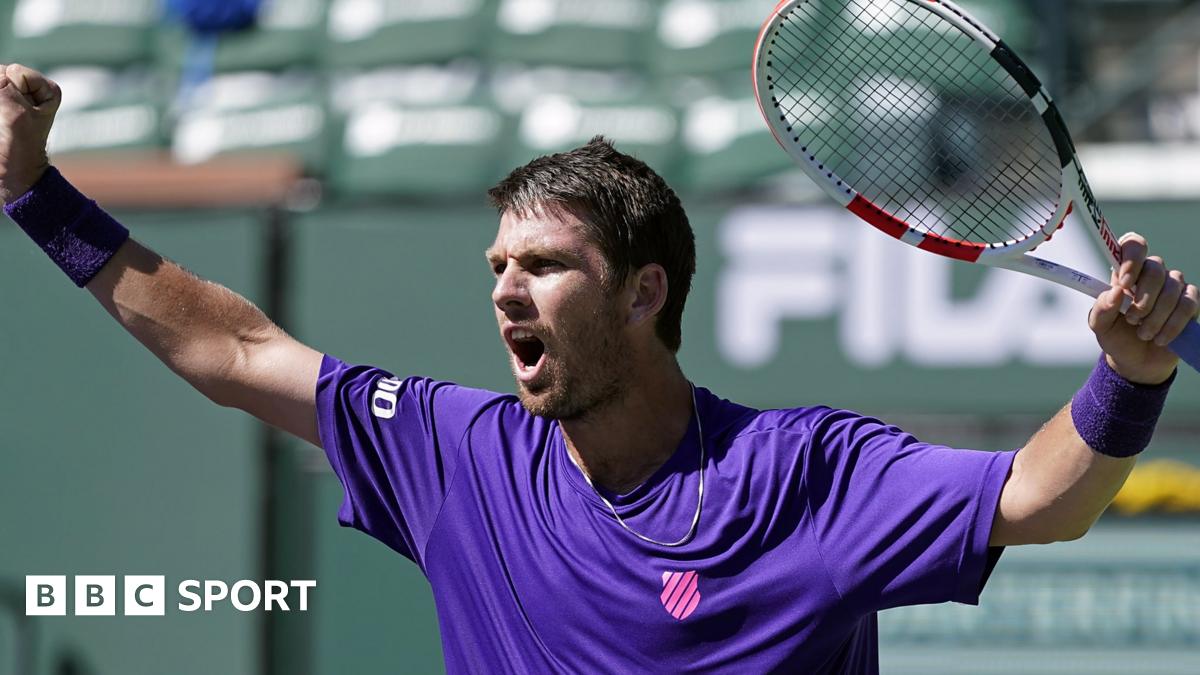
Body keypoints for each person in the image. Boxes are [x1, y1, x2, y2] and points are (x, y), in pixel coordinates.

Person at [3, 63, 1197, 673]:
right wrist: (31, 194)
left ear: (644, 291)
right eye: (496, 264)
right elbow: (233, 348)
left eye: (545, 266)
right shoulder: (453, 452)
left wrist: (1130, 380)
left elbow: (1043, 499)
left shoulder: (807, 474)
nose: (505, 290)